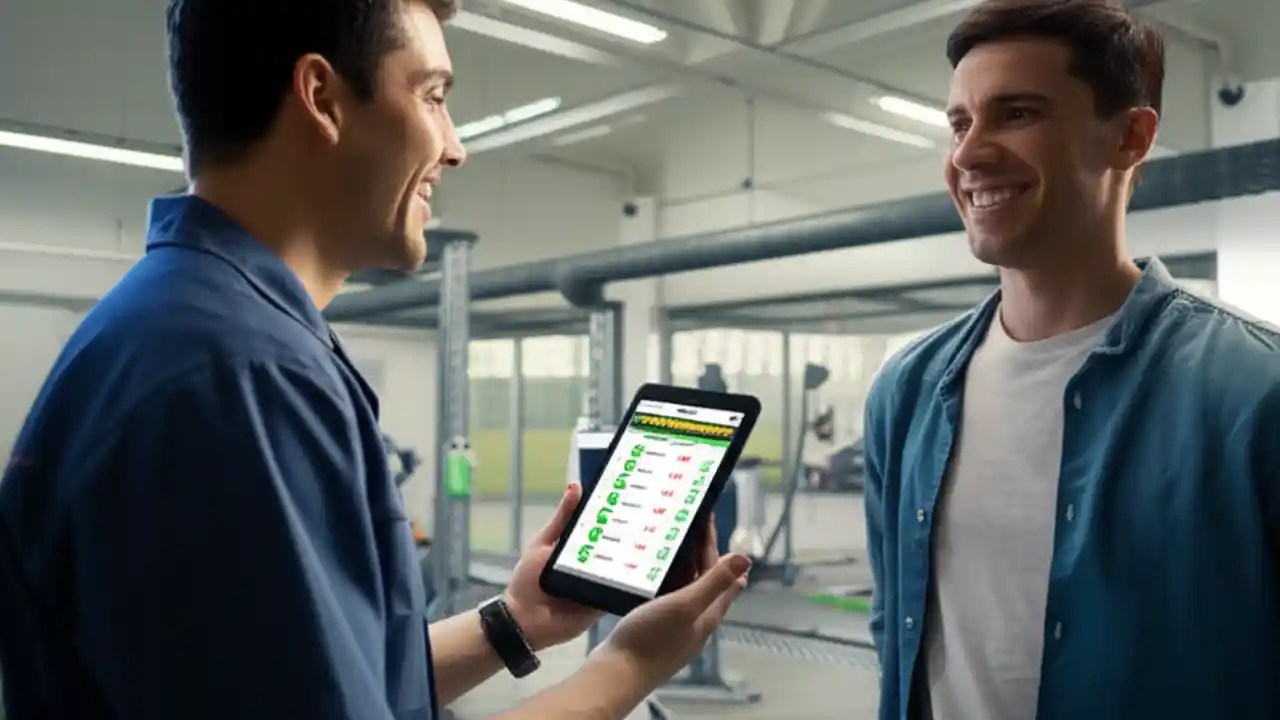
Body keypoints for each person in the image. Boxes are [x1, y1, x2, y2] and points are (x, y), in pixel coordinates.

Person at [0, 0, 752, 717]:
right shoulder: (241, 375)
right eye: (432, 96)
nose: (454, 146)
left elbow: (326, 680)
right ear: (322, 97)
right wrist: (626, 670)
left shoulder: (190, 324)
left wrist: (515, 620)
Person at [862, 1, 1280, 719]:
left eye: (1016, 114)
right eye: (960, 123)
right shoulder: (908, 391)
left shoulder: (1255, 394)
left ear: (1130, 136)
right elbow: (897, 633)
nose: (968, 154)